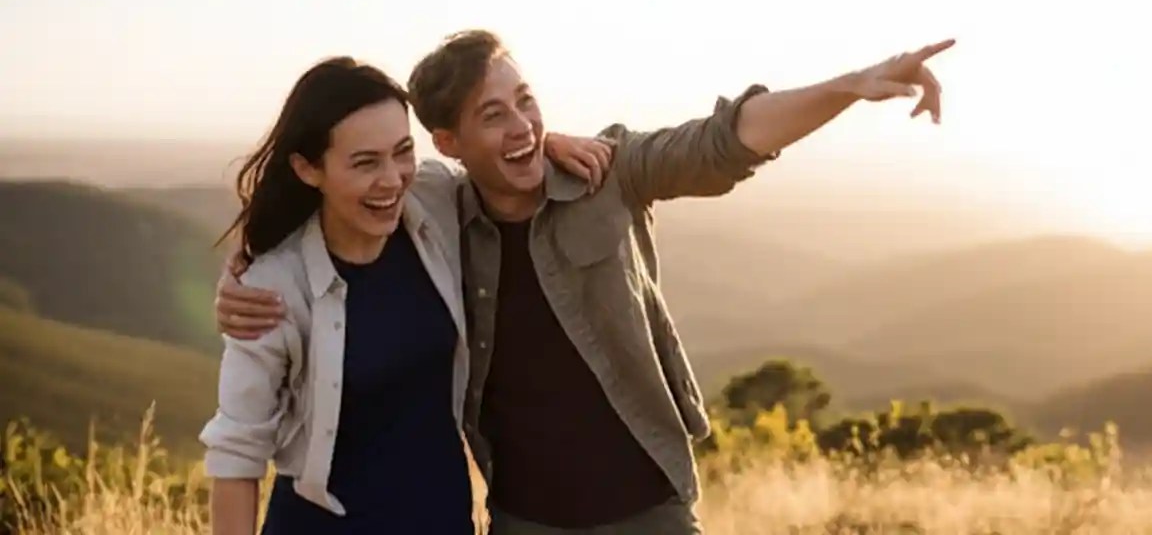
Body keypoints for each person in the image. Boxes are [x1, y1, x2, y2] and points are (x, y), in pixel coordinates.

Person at [215, 30, 954, 534]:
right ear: (452, 144)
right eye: (492, 116)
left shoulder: (599, 175)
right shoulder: (434, 211)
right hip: (522, 520)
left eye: (526, 102)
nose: (523, 127)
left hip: (646, 509)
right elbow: (335, 206)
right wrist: (244, 267)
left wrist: (852, 86)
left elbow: (726, 138)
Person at [198, 56, 615, 535]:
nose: (393, 179)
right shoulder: (275, 289)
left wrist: (547, 145)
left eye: (402, 152)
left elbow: (491, 169)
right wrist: (244, 271)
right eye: (365, 163)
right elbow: (236, 452)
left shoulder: (431, 203)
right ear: (308, 168)